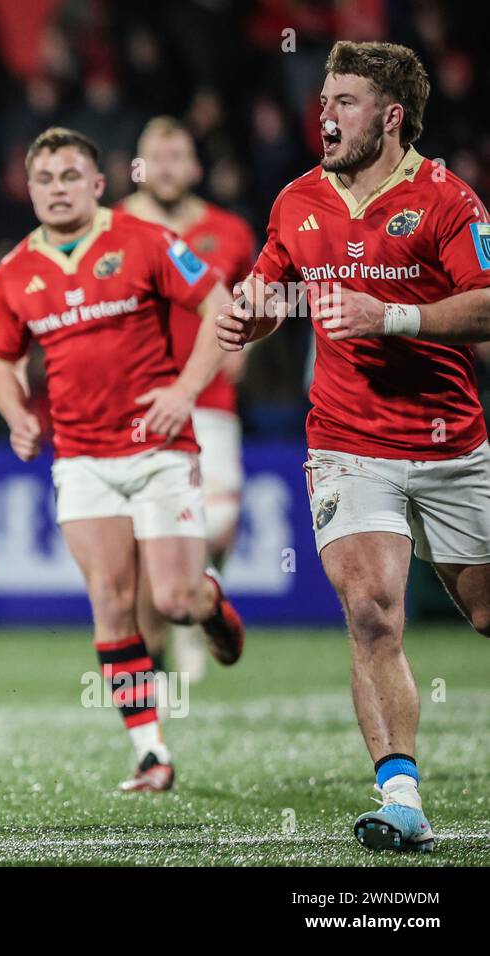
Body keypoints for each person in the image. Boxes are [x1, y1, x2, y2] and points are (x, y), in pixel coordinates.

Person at [216, 41, 490, 853]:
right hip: (347, 441)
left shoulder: (447, 201)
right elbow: (274, 287)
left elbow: (486, 304)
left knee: (483, 611)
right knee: (371, 609)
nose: (324, 115)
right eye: (324, 99)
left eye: (345, 102)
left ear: (391, 116)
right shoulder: (298, 200)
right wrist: (251, 313)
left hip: (449, 443)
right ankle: (401, 798)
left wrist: (391, 315)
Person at [0, 127, 244, 793]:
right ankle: (151, 752)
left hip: (159, 447)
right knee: (110, 598)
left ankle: (209, 606)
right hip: (81, 458)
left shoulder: (146, 239)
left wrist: (186, 390)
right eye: (45, 179)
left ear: (99, 184)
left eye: (71, 176)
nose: (58, 189)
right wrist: (16, 413)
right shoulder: (14, 271)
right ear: (30, 188)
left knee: (176, 598)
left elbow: (220, 305)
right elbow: (0, 360)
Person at [120, 116, 257, 681]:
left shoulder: (230, 231)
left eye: (179, 157)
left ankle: (200, 601)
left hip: (210, 396)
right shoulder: (114, 227)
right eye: (159, 156)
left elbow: (252, 295)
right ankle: (154, 656)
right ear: (138, 166)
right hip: (139, 399)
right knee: (140, 539)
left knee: (218, 523)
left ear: (195, 167)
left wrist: (244, 337)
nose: (169, 167)